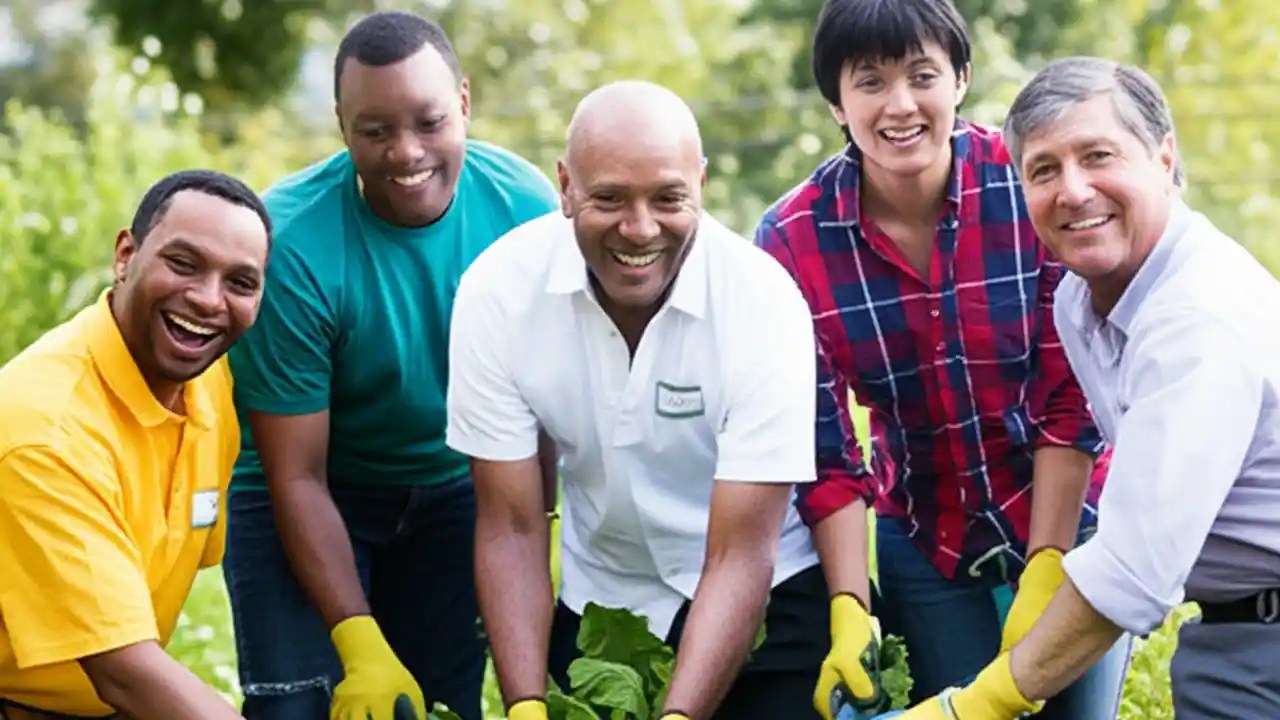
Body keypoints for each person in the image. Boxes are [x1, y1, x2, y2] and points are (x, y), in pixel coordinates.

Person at [754, 1, 1131, 718]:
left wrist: (1049, 560)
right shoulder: (792, 241)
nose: (901, 106)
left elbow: (1070, 399)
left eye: (922, 75)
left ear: (959, 79)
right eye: (870, 83)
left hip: (1070, 520)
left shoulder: (1030, 187)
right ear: (836, 102)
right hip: (928, 536)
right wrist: (848, 604)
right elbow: (824, 447)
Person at [891, 55, 1280, 720]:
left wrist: (978, 704)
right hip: (1233, 630)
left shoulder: (1196, 319)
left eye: (1098, 155)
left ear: (1163, 159)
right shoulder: (1080, 302)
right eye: (1043, 169)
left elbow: (1136, 570)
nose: (1073, 190)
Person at [444, 80, 829, 720]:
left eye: (668, 198)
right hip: (602, 604)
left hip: (766, 594)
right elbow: (511, 526)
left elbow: (740, 555)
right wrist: (525, 705)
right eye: (609, 198)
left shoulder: (762, 302)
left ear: (701, 185)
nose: (640, 228)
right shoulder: (498, 292)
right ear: (565, 186)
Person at [220, 10, 561, 720]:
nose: (406, 153)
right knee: (299, 708)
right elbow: (296, 473)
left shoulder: (527, 213)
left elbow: (546, 403)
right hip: (313, 489)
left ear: (464, 104)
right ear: (342, 126)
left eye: (430, 122)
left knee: (437, 708)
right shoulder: (293, 243)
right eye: (375, 131)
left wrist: (537, 533)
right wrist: (358, 640)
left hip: (454, 488)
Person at [0, 170, 272, 720]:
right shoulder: (43, 431)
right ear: (125, 255)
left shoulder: (207, 386)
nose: (207, 300)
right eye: (183, 263)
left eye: (241, 282)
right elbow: (125, 673)